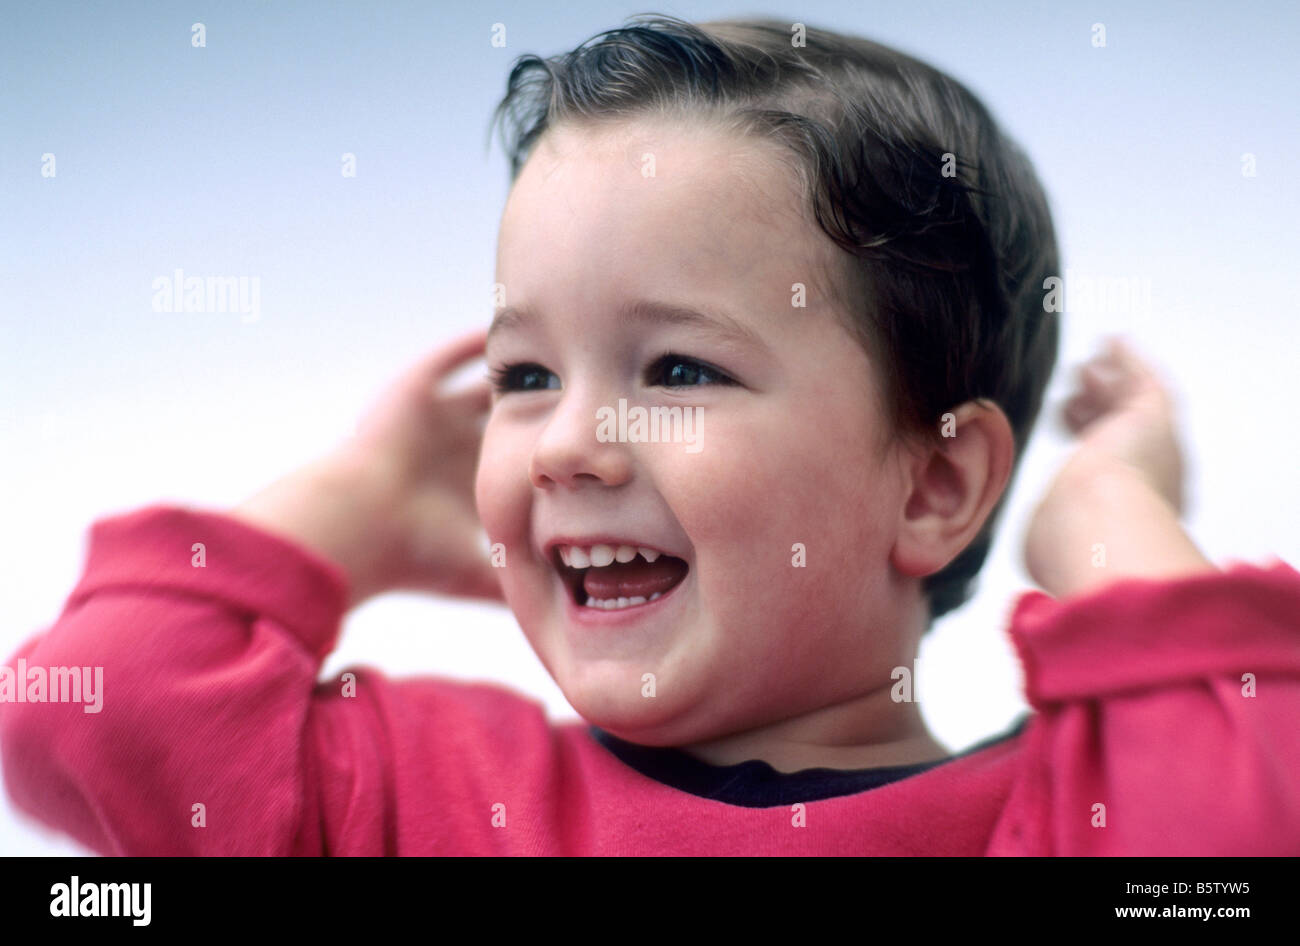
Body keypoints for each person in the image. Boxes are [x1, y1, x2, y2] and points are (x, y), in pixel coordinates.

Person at [2, 15, 1296, 855]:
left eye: (676, 365)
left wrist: (1112, 516)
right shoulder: (422, 793)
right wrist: (361, 500)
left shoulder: (1054, 821)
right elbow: (88, 704)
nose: (572, 442)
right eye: (524, 372)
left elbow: (1256, 810)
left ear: (938, 483)